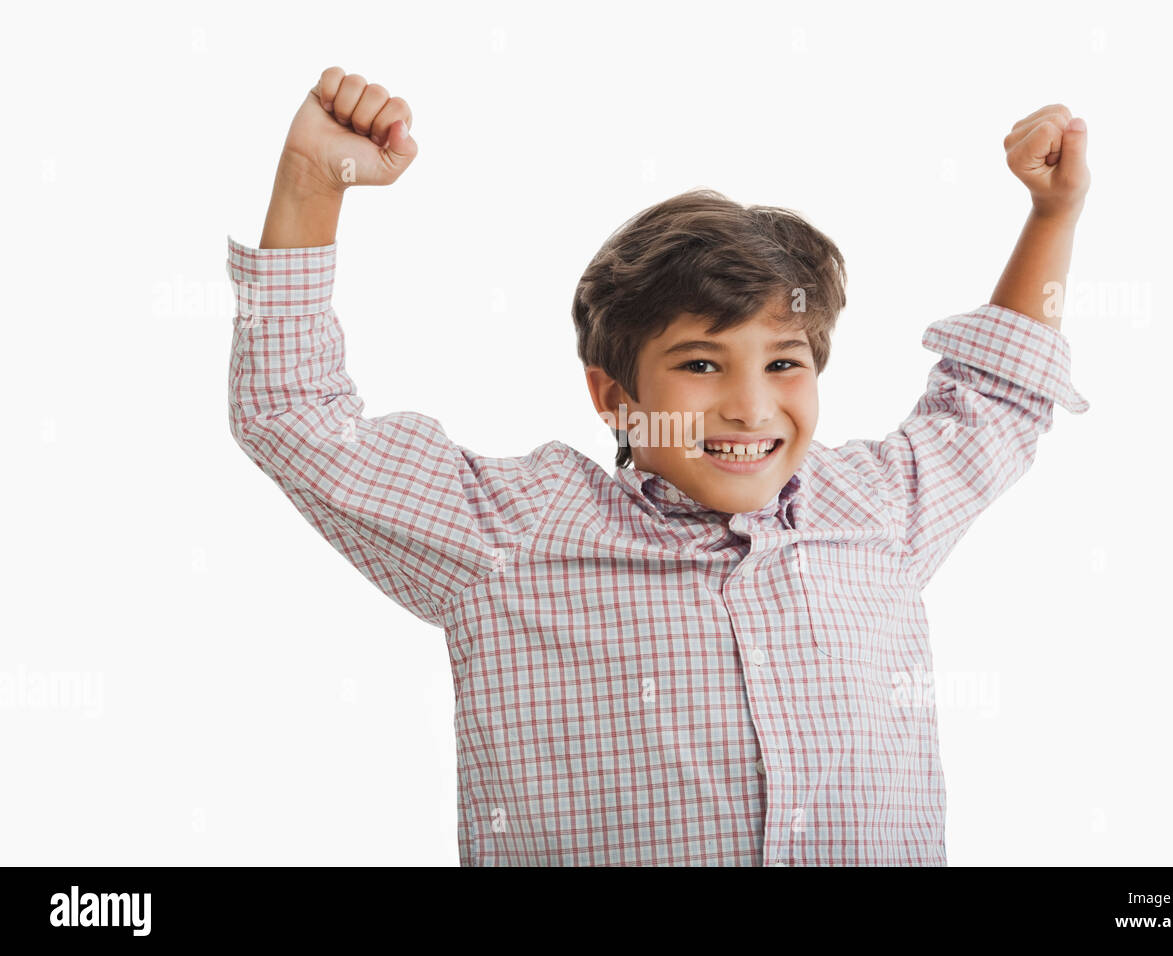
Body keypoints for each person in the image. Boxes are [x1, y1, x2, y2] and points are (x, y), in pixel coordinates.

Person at [227, 66, 1090, 866]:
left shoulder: (879, 511)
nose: (751, 407)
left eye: (784, 362)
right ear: (613, 396)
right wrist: (311, 187)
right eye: (702, 364)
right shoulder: (511, 535)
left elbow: (998, 397)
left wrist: (1051, 217)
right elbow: (295, 419)